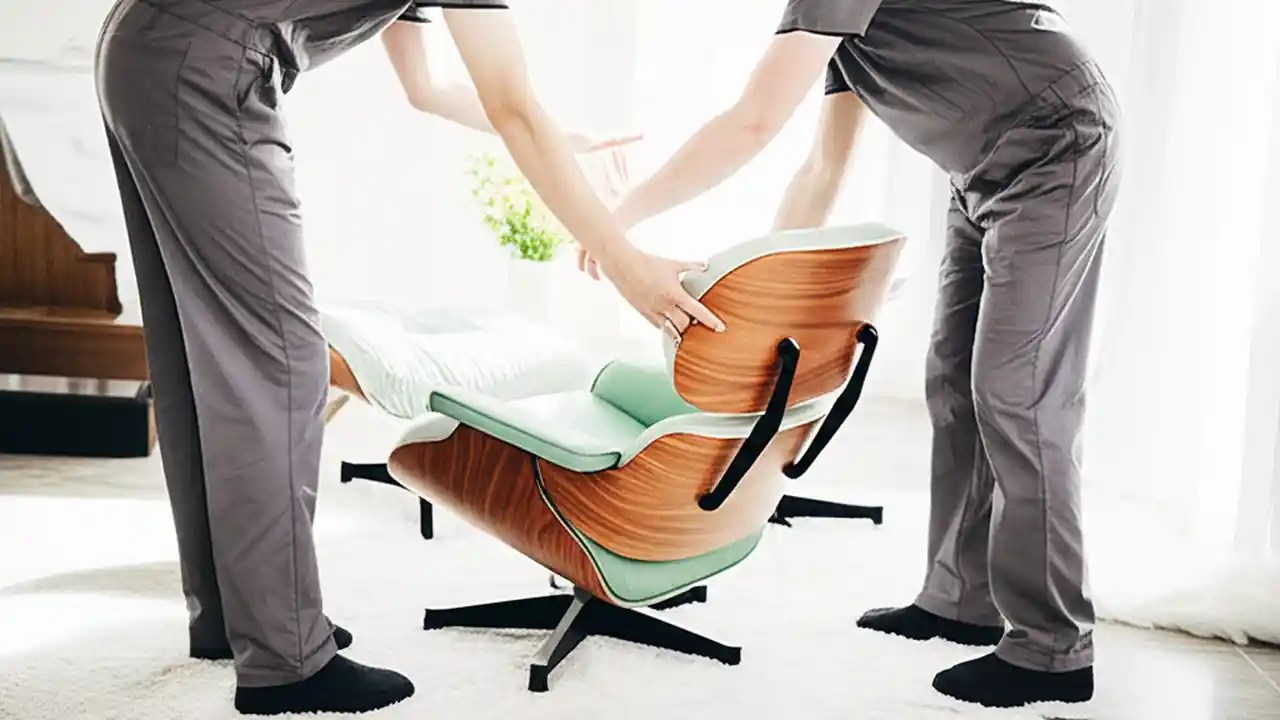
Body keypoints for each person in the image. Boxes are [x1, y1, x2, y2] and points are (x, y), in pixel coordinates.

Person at [94, 0, 723, 715]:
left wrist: (561, 139)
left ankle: (232, 616)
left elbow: (426, 87)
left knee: (198, 346)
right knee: (281, 363)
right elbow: (511, 102)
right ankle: (284, 659)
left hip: (143, 46)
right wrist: (627, 264)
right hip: (207, 69)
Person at [582, 0, 1120, 708]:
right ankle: (962, 599)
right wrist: (763, 292)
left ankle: (1054, 648)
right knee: (952, 381)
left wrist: (616, 219)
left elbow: (752, 122)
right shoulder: (836, 27)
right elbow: (821, 169)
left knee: (1018, 392)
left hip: (1056, 142)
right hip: (981, 169)